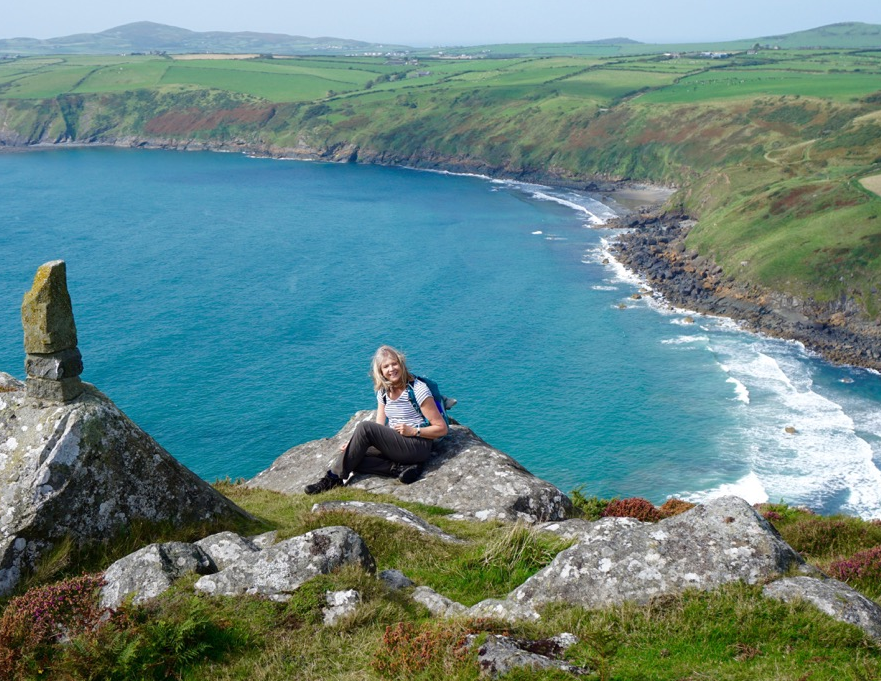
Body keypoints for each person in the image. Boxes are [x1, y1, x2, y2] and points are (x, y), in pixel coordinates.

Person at [305, 345, 448, 494]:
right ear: (380, 372)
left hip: (418, 444)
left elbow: (441, 428)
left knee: (364, 428)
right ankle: (400, 468)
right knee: (351, 455)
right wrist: (355, 443)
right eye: (386, 366)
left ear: (401, 364)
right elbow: (379, 426)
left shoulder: (418, 389)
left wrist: (413, 431)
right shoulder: (384, 391)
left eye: (394, 364)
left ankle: (332, 479)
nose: (391, 369)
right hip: (397, 443)